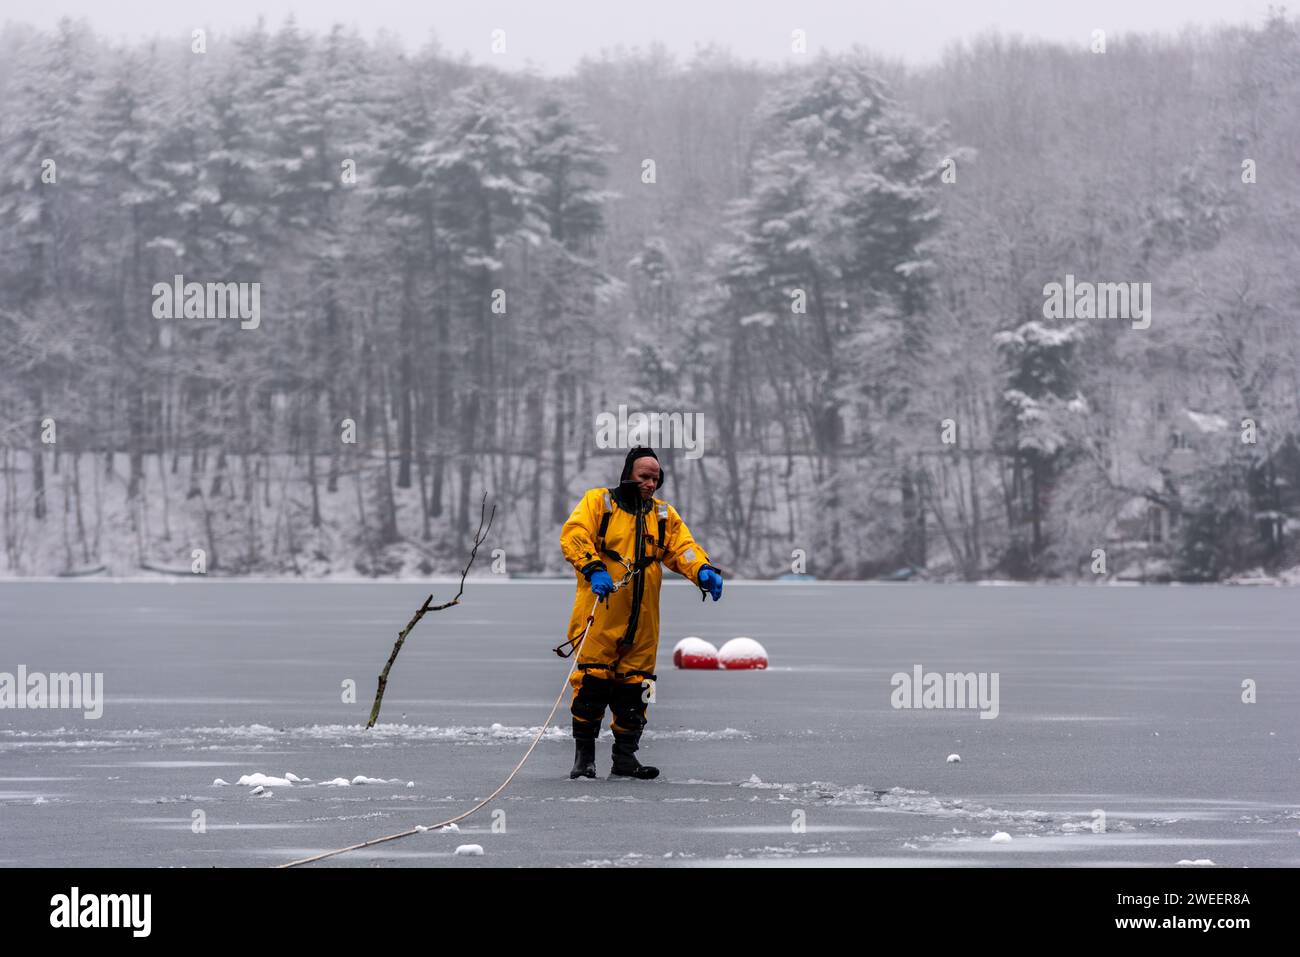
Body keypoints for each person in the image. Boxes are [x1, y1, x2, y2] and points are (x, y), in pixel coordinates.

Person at [559, 446, 723, 779]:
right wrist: (593, 568)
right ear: (628, 474)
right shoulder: (598, 503)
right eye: (644, 476)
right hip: (600, 611)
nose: (650, 483)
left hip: (644, 620)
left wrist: (702, 570)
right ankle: (584, 759)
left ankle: (625, 759)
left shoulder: (663, 516)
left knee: (638, 688)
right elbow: (574, 534)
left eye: (655, 478)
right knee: (592, 684)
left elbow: (683, 548)